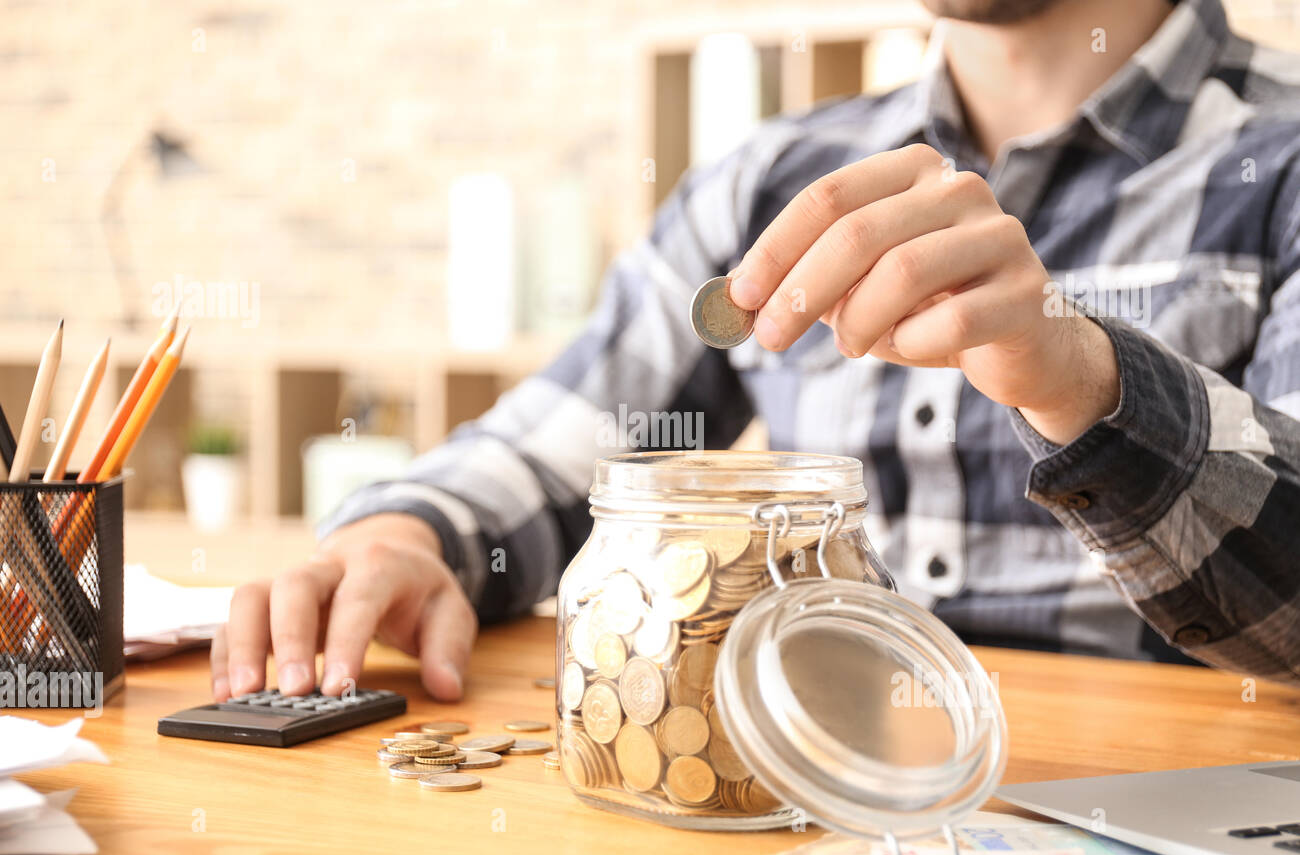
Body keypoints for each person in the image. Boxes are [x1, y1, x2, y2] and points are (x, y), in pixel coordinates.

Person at [212, 0, 1300, 702]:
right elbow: (565, 439)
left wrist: (1085, 379)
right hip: (802, 778)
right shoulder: (767, 178)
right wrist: (412, 534)